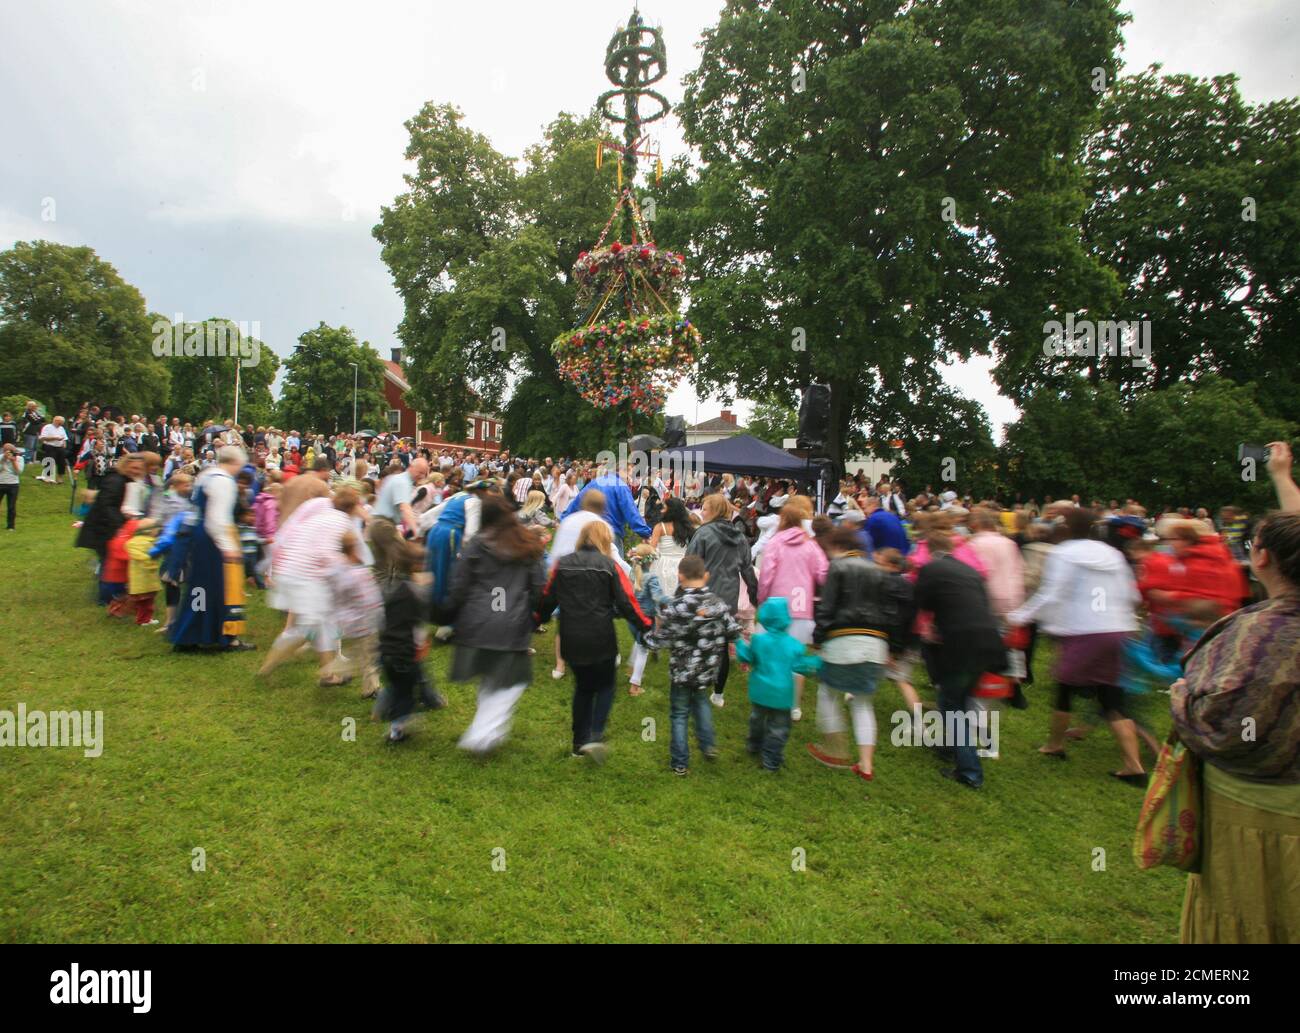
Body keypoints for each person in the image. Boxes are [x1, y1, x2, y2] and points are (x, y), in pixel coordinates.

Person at [1170, 510, 1300, 943]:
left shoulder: (1253, 634)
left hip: (1257, 822)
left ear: (1260, 557)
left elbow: (1221, 729)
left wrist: (1180, 698)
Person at [1008, 507, 1145, 783]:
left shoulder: (1064, 553)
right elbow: (1132, 595)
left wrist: (1018, 616)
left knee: (1064, 689)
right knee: (1111, 698)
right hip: (1116, 629)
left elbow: (1052, 592)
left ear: (1066, 528)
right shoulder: (1114, 555)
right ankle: (1134, 766)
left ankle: (1055, 744)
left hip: (1084, 630)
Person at [536, 520, 652, 763]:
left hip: (571, 636)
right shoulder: (609, 565)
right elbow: (628, 602)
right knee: (606, 685)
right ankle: (595, 734)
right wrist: (647, 626)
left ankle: (579, 743)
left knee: (583, 688)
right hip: (601, 636)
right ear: (605, 541)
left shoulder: (562, 564)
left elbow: (547, 599)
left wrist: (536, 618)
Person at [442, 495, 548, 754]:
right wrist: (536, 616)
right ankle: (482, 733)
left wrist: (449, 613)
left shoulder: (477, 544)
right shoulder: (527, 544)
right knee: (510, 682)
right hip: (510, 623)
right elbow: (539, 588)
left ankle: (487, 730)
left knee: (492, 677)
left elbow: (459, 584)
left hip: (478, 620)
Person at [808, 526, 911, 781]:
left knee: (827, 692)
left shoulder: (839, 567)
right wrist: (893, 647)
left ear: (836, 546)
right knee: (863, 702)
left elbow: (828, 606)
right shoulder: (878, 571)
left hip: (843, 639)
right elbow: (890, 613)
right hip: (875, 644)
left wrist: (818, 638)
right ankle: (866, 764)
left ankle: (835, 748)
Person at [914, 525, 1007, 790]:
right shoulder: (970, 571)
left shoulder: (931, 570)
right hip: (988, 641)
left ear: (928, 550)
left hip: (961, 645)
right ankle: (950, 745)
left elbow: (921, 602)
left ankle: (969, 771)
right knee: (962, 697)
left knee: (949, 703)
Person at [645, 553, 740, 774]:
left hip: (681, 671)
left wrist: (647, 640)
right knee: (702, 704)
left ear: (680, 577)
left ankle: (680, 763)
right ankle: (708, 746)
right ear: (706, 576)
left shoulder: (677, 607)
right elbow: (733, 629)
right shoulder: (718, 604)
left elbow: (663, 637)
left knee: (679, 714)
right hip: (708, 669)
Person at [168, 445, 255, 652]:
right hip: (214, 538)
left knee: (200, 588)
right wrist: (228, 547)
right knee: (223, 589)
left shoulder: (206, 475)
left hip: (200, 535)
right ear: (235, 463)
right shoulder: (224, 481)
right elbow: (218, 517)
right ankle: (224, 635)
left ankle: (192, 633)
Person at [369, 520, 446, 743]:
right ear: (417, 567)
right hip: (405, 652)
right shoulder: (415, 592)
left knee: (394, 684)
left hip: (386, 650)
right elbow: (421, 621)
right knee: (405, 694)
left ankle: (380, 710)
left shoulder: (390, 588)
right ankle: (397, 730)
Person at [756, 495, 827, 721]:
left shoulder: (776, 542)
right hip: (801, 607)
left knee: (770, 654)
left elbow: (766, 575)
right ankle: (794, 706)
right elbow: (823, 574)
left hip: (776, 607)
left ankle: (768, 698)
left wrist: (762, 599)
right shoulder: (811, 545)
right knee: (796, 658)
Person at [686, 494, 759, 707]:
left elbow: (690, 563)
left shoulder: (704, 534)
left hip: (704, 595)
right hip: (727, 597)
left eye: (705, 508)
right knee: (720, 644)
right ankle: (718, 694)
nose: (702, 511)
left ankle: (698, 688)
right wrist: (755, 596)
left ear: (715, 511)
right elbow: (747, 569)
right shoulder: (739, 537)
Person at [736, 597, 822, 772]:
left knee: (757, 720)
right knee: (779, 728)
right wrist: (819, 663)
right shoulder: (794, 645)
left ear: (765, 617)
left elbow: (747, 657)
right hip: (783, 695)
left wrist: (739, 643)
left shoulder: (759, 641)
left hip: (760, 693)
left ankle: (754, 744)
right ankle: (771, 760)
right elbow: (801, 666)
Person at [0, 442, 22, 530]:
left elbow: (18, 472)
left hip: (13, 484)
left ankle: (11, 526)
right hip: (1, 483)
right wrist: (4, 460)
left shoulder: (19, 459)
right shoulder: (1, 457)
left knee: (11, 506)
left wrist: (13, 461)